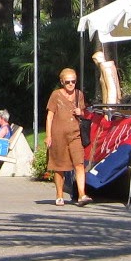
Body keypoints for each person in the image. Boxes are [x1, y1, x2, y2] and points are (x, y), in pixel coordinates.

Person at [46, 67, 90, 206]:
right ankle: (59, 195)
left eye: (73, 81)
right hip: (58, 135)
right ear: (62, 82)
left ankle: (82, 194)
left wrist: (80, 112)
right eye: (68, 82)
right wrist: (48, 135)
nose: (71, 84)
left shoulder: (79, 94)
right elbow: (50, 116)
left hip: (75, 135)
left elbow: (83, 113)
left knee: (79, 163)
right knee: (60, 167)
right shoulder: (55, 95)